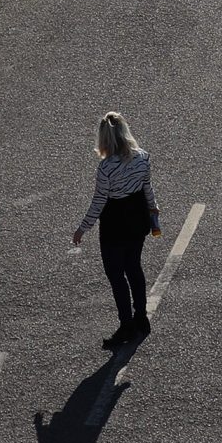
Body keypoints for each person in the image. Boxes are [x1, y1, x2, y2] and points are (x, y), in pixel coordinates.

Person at [72, 112, 162, 348]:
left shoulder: (106, 168)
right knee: (134, 267)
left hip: (115, 223)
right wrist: (153, 211)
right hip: (137, 218)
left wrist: (83, 228)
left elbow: (100, 201)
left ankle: (126, 324)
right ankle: (141, 317)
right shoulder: (143, 157)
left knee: (116, 275)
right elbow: (147, 188)